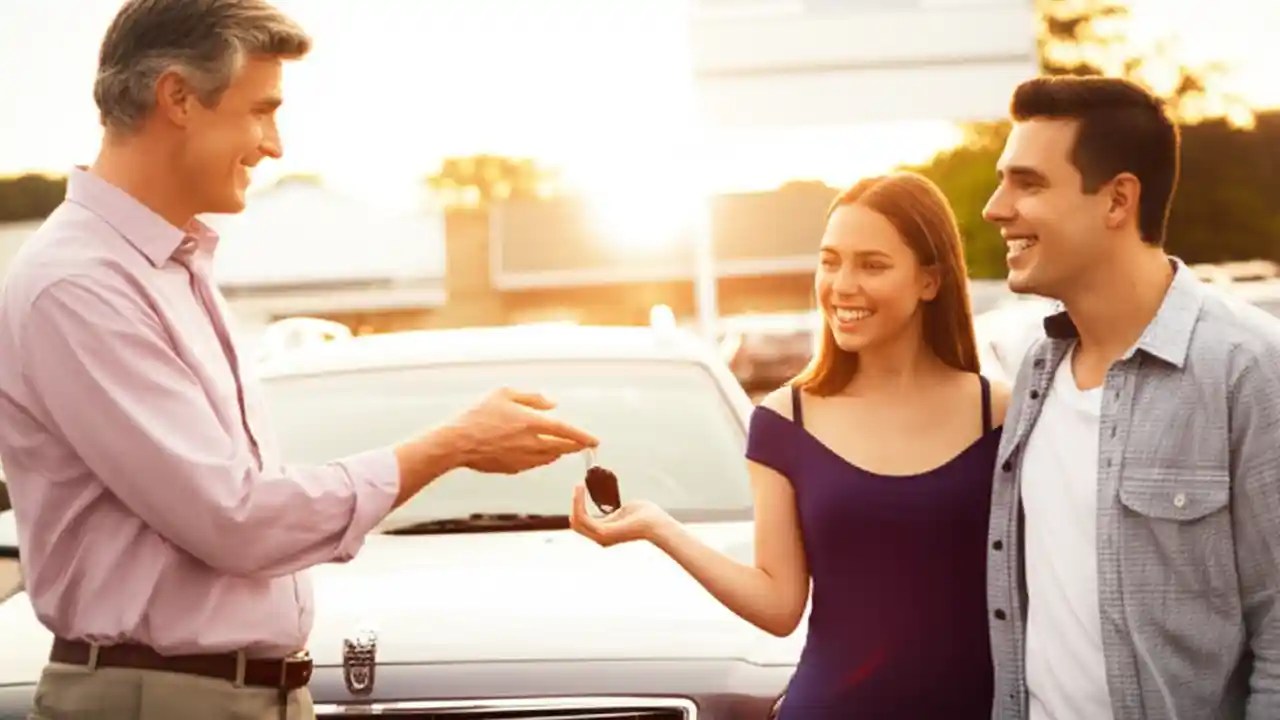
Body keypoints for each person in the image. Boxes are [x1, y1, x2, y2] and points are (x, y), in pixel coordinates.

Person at [0, 2, 596, 718]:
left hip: (228, 695)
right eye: (260, 111)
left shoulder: (171, 268)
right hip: (158, 700)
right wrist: (450, 446)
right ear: (179, 98)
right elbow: (234, 519)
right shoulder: (80, 286)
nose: (273, 144)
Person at [570, 171, 1011, 718]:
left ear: (930, 280)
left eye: (872, 264)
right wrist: (658, 526)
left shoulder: (1003, 413)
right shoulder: (784, 420)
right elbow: (779, 606)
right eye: (829, 261)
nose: (842, 284)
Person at [982, 75, 1280, 720]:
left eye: (1027, 183)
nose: (995, 207)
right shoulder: (1036, 366)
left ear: (1117, 200)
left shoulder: (1249, 368)